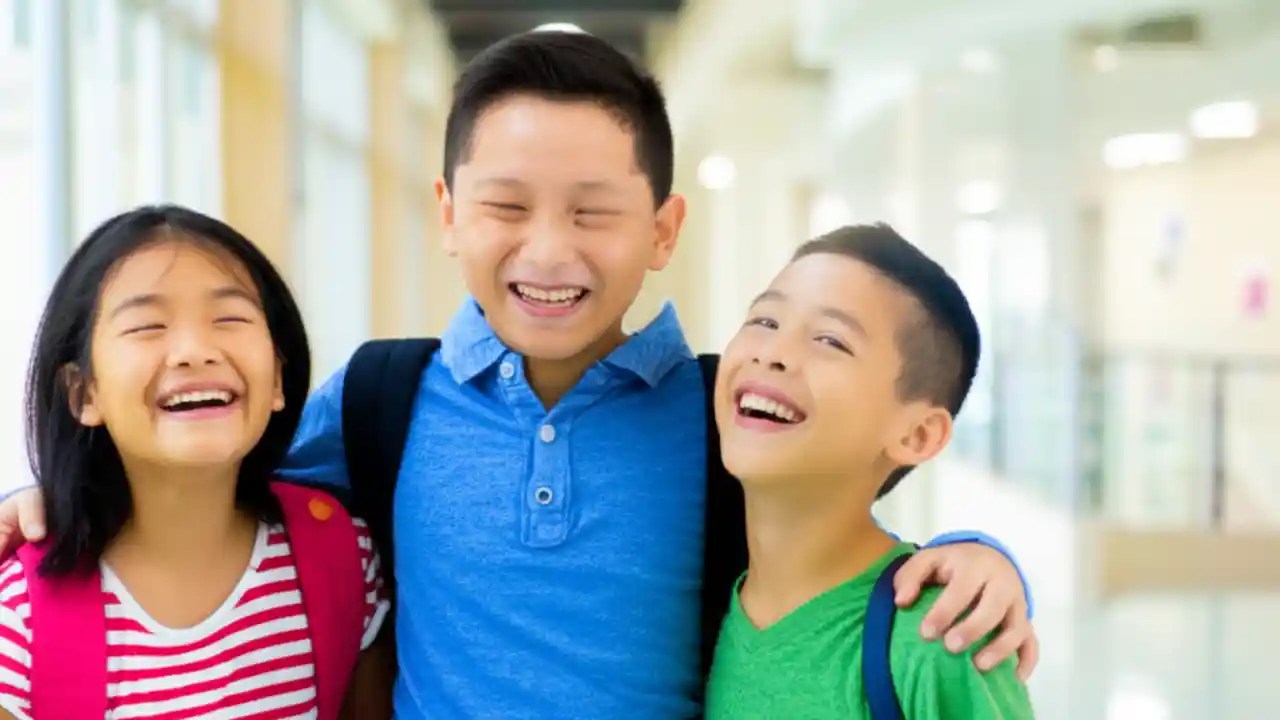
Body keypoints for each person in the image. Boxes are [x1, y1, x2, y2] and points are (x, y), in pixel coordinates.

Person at [0, 33, 1037, 719]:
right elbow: (211, 472)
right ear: (447, 212)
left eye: (592, 213)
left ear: (663, 228)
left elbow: (838, 532)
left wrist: (978, 551)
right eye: (505, 207)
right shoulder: (380, 402)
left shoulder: (720, 412)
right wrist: (46, 490)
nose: (548, 253)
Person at [0, 206, 392, 720]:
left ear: (278, 376)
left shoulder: (344, 556)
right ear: (82, 392)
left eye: (230, 318)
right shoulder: (19, 621)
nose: (193, 350)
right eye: (146, 326)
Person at [704, 224, 1035, 718]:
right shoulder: (697, 616)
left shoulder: (937, 639)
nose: (771, 353)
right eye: (765, 321)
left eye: (830, 341)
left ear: (917, 434)